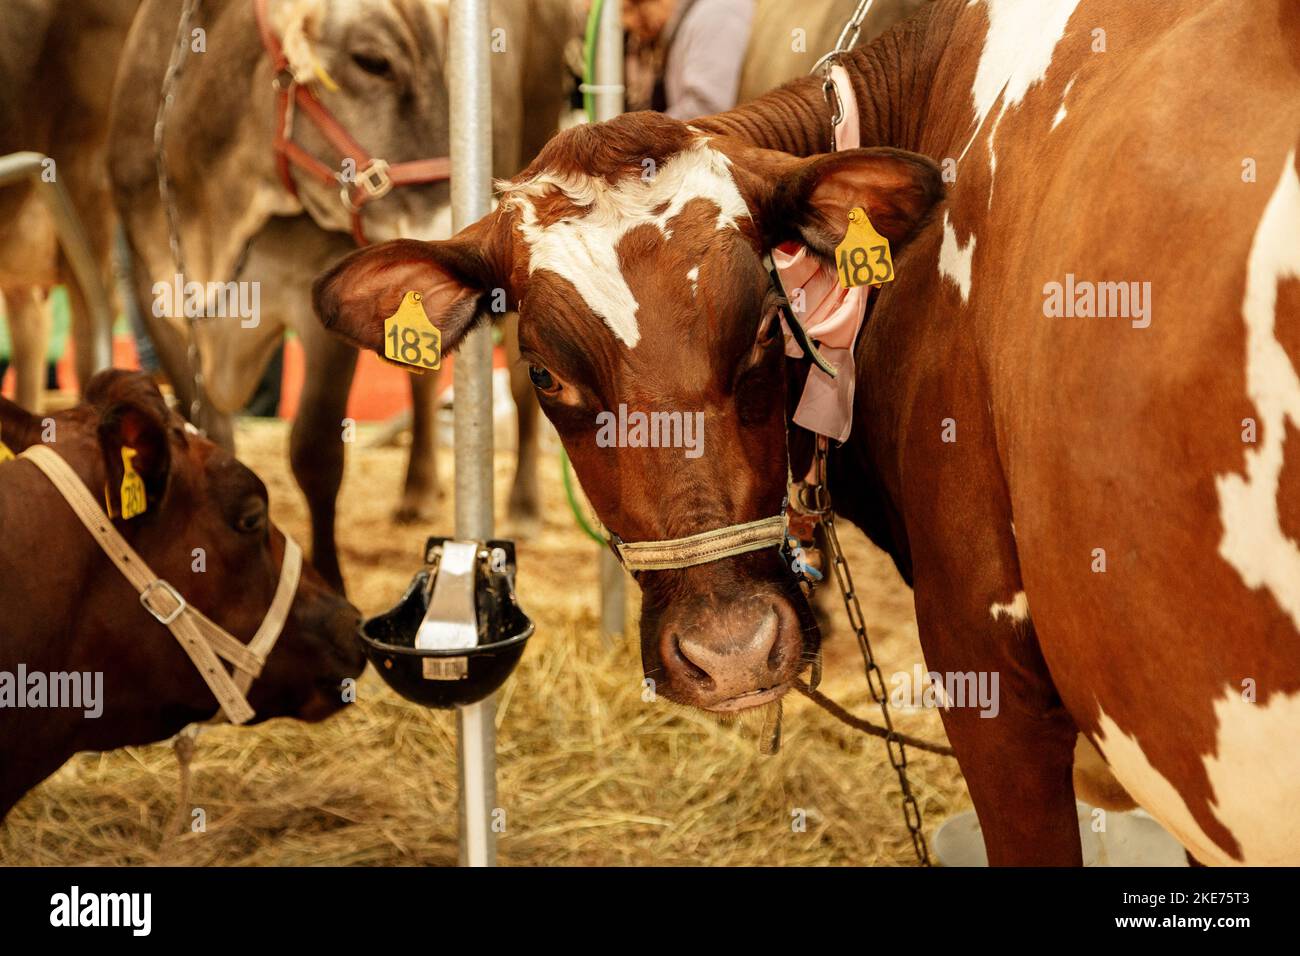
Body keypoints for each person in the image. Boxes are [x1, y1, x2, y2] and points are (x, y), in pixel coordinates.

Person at [623, 0, 755, 119]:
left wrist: (649, 134)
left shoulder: (716, 14)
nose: (628, 21)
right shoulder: (689, 19)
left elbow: (707, 108)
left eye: (635, 5)